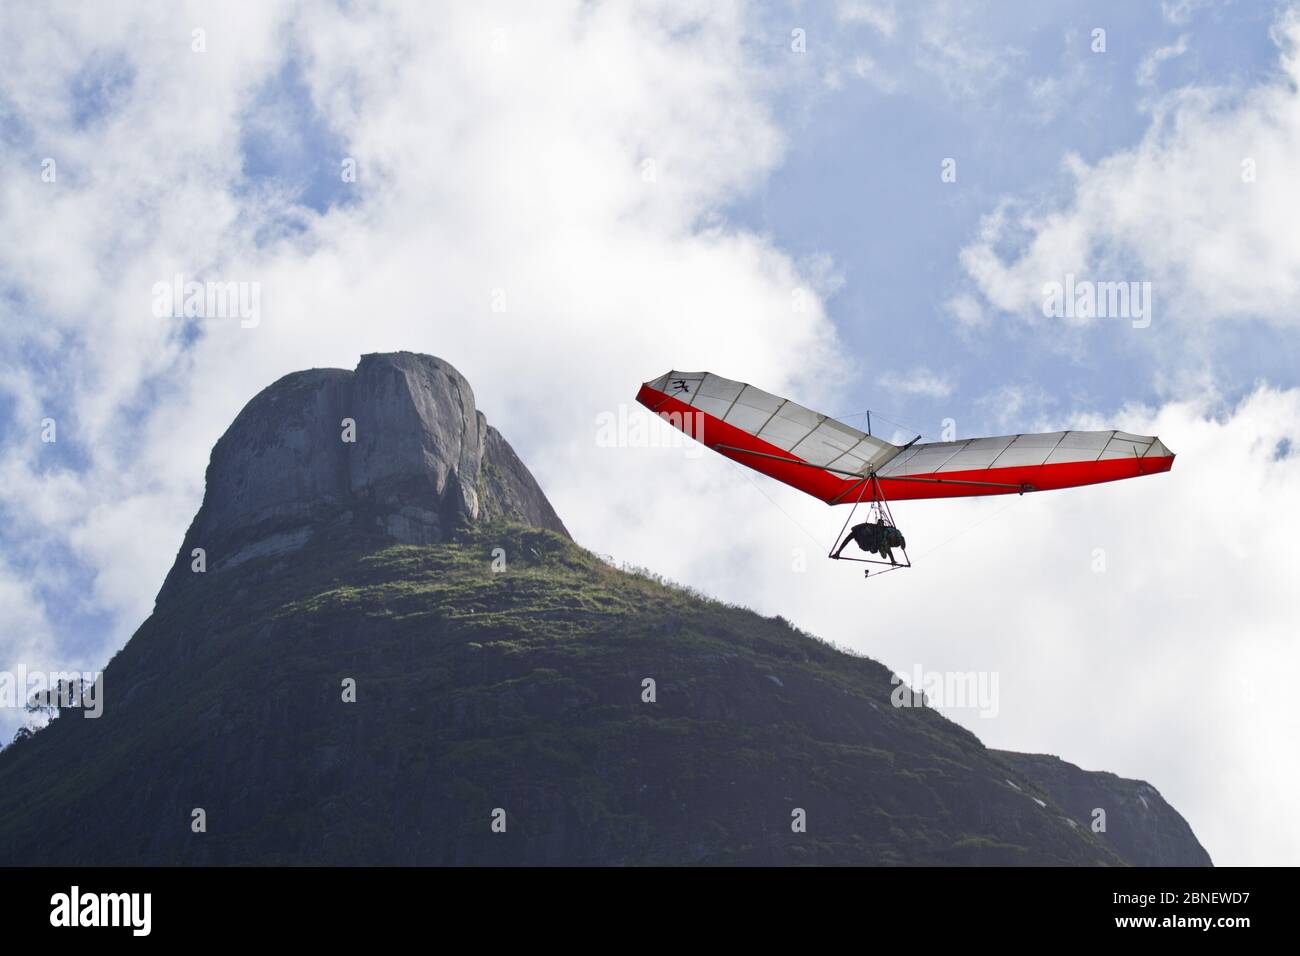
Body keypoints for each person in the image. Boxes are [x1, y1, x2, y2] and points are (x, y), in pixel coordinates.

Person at [833, 520, 906, 564]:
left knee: (882, 541)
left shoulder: (879, 531)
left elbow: (886, 544)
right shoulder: (858, 532)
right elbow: (847, 540)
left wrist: (892, 559)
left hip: (875, 541)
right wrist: (839, 551)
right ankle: (887, 544)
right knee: (879, 544)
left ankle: (897, 540)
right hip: (870, 543)